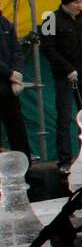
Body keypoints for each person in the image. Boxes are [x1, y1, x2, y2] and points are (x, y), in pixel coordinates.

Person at [45, 0, 82, 173]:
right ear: (67, 2)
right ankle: (64, 160)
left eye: (81, 1)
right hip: (64, 77)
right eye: (77, 2)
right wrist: (67, 69)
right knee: (65, 117)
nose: (80, 5)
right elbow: (48, 48)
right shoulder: (50, 18)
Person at [0, 10, 30, 158]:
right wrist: (9, 74)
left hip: (9, 88)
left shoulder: (5, 23)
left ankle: (25, 167)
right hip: (6, 79)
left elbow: (16, 50)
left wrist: (17, 72)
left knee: (18, 130)